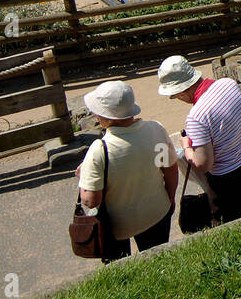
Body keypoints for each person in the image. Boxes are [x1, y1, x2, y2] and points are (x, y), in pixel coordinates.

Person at [158, 55, 241, 224]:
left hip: (234, 177)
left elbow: (204, 164)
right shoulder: (228, 83)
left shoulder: (196, 116)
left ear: (181, 92)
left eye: (174, 96)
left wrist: (187, 147)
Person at [75, 81, 177, 263]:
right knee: (159, 262)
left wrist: (85, 175)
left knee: (121, 269)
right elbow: (169, 168)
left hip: (116, 227)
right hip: (157, 212)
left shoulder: (99, 149)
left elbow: (91, 200)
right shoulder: (155, 129)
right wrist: (169, 198)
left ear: (105, 117)